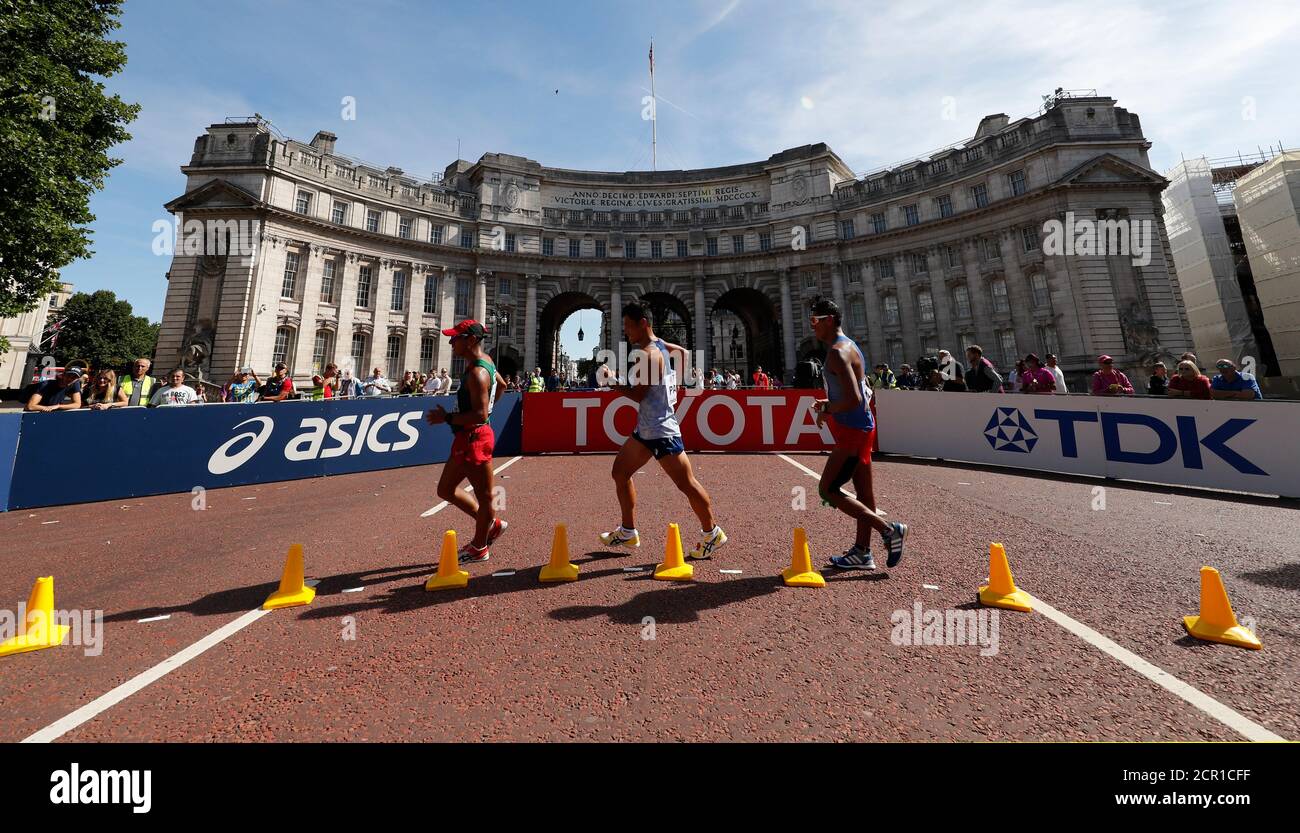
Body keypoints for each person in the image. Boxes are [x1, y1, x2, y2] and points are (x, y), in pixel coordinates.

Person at [599, 302, 727, 561]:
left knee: (687, 484)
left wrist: (611, 381)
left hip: (661, 430)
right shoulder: (658, 345)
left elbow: (637, 394)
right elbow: (682, 352)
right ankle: (628, 531)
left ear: (643, 323)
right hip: (647, 429)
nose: (625, 331)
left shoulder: (650, 354)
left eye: (628, 325)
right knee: (620, 472)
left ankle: (712, 532)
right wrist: (673, 387)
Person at [808, 299, 907, 571]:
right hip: (863, 425)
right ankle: (863, 552)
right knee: (864, 493)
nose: (812, 326)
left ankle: (888, 530)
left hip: (852, 429)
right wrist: (828, 404)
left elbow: (852, 399)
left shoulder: (836, 353)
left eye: (814, 320)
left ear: (828, 320)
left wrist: (827, 407)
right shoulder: (850, 346)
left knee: (827, 490)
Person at [425, 320, 510, 563]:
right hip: (468, 436)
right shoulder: (486, 363)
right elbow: (502, 385)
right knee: (445, 489)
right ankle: (490, 526)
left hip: (475, 437)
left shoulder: (477, 373)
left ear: (470, 340)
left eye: (456, 338)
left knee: (484, 498)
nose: (452, 343)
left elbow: (480, 414)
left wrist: (447, 417)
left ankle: (479, 546)